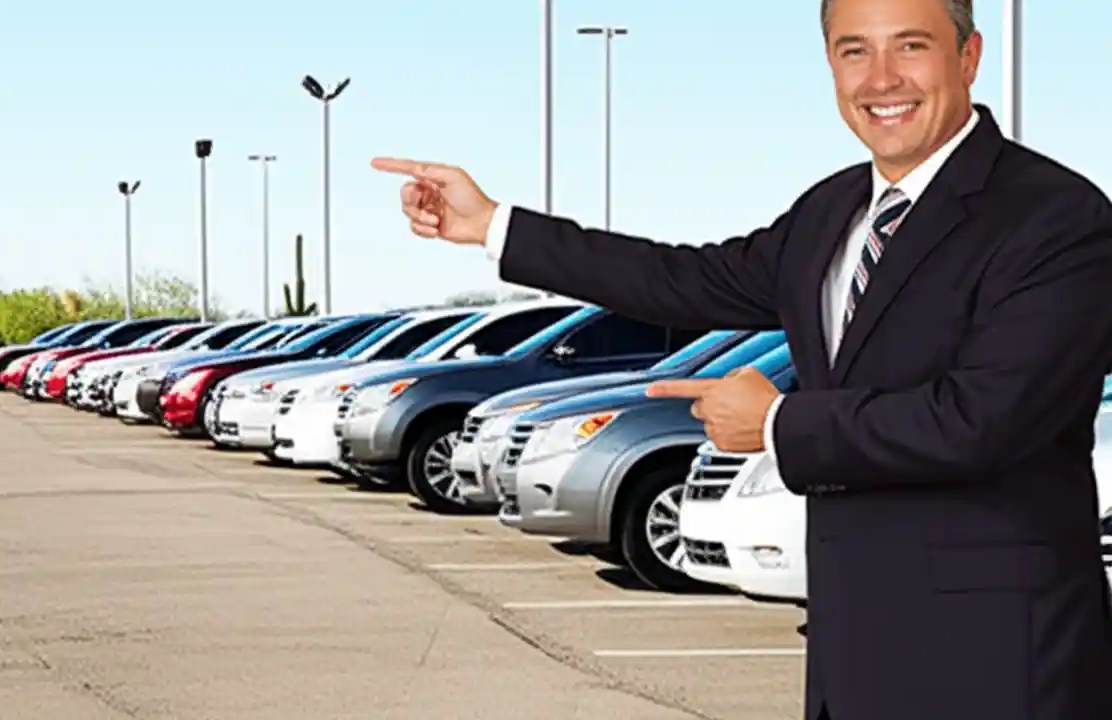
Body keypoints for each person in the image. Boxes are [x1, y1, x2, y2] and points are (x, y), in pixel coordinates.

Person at [372, 0, 1112, 718]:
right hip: (852, 658)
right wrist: (495, 227)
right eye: (855, 50)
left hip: (996, 664)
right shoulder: (831, 211)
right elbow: (680, 278)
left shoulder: (1056, 216)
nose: (881, 77)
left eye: (910, 45)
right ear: (830, 66)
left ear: (969, 56)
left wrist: (777, 423)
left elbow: (983, 421)